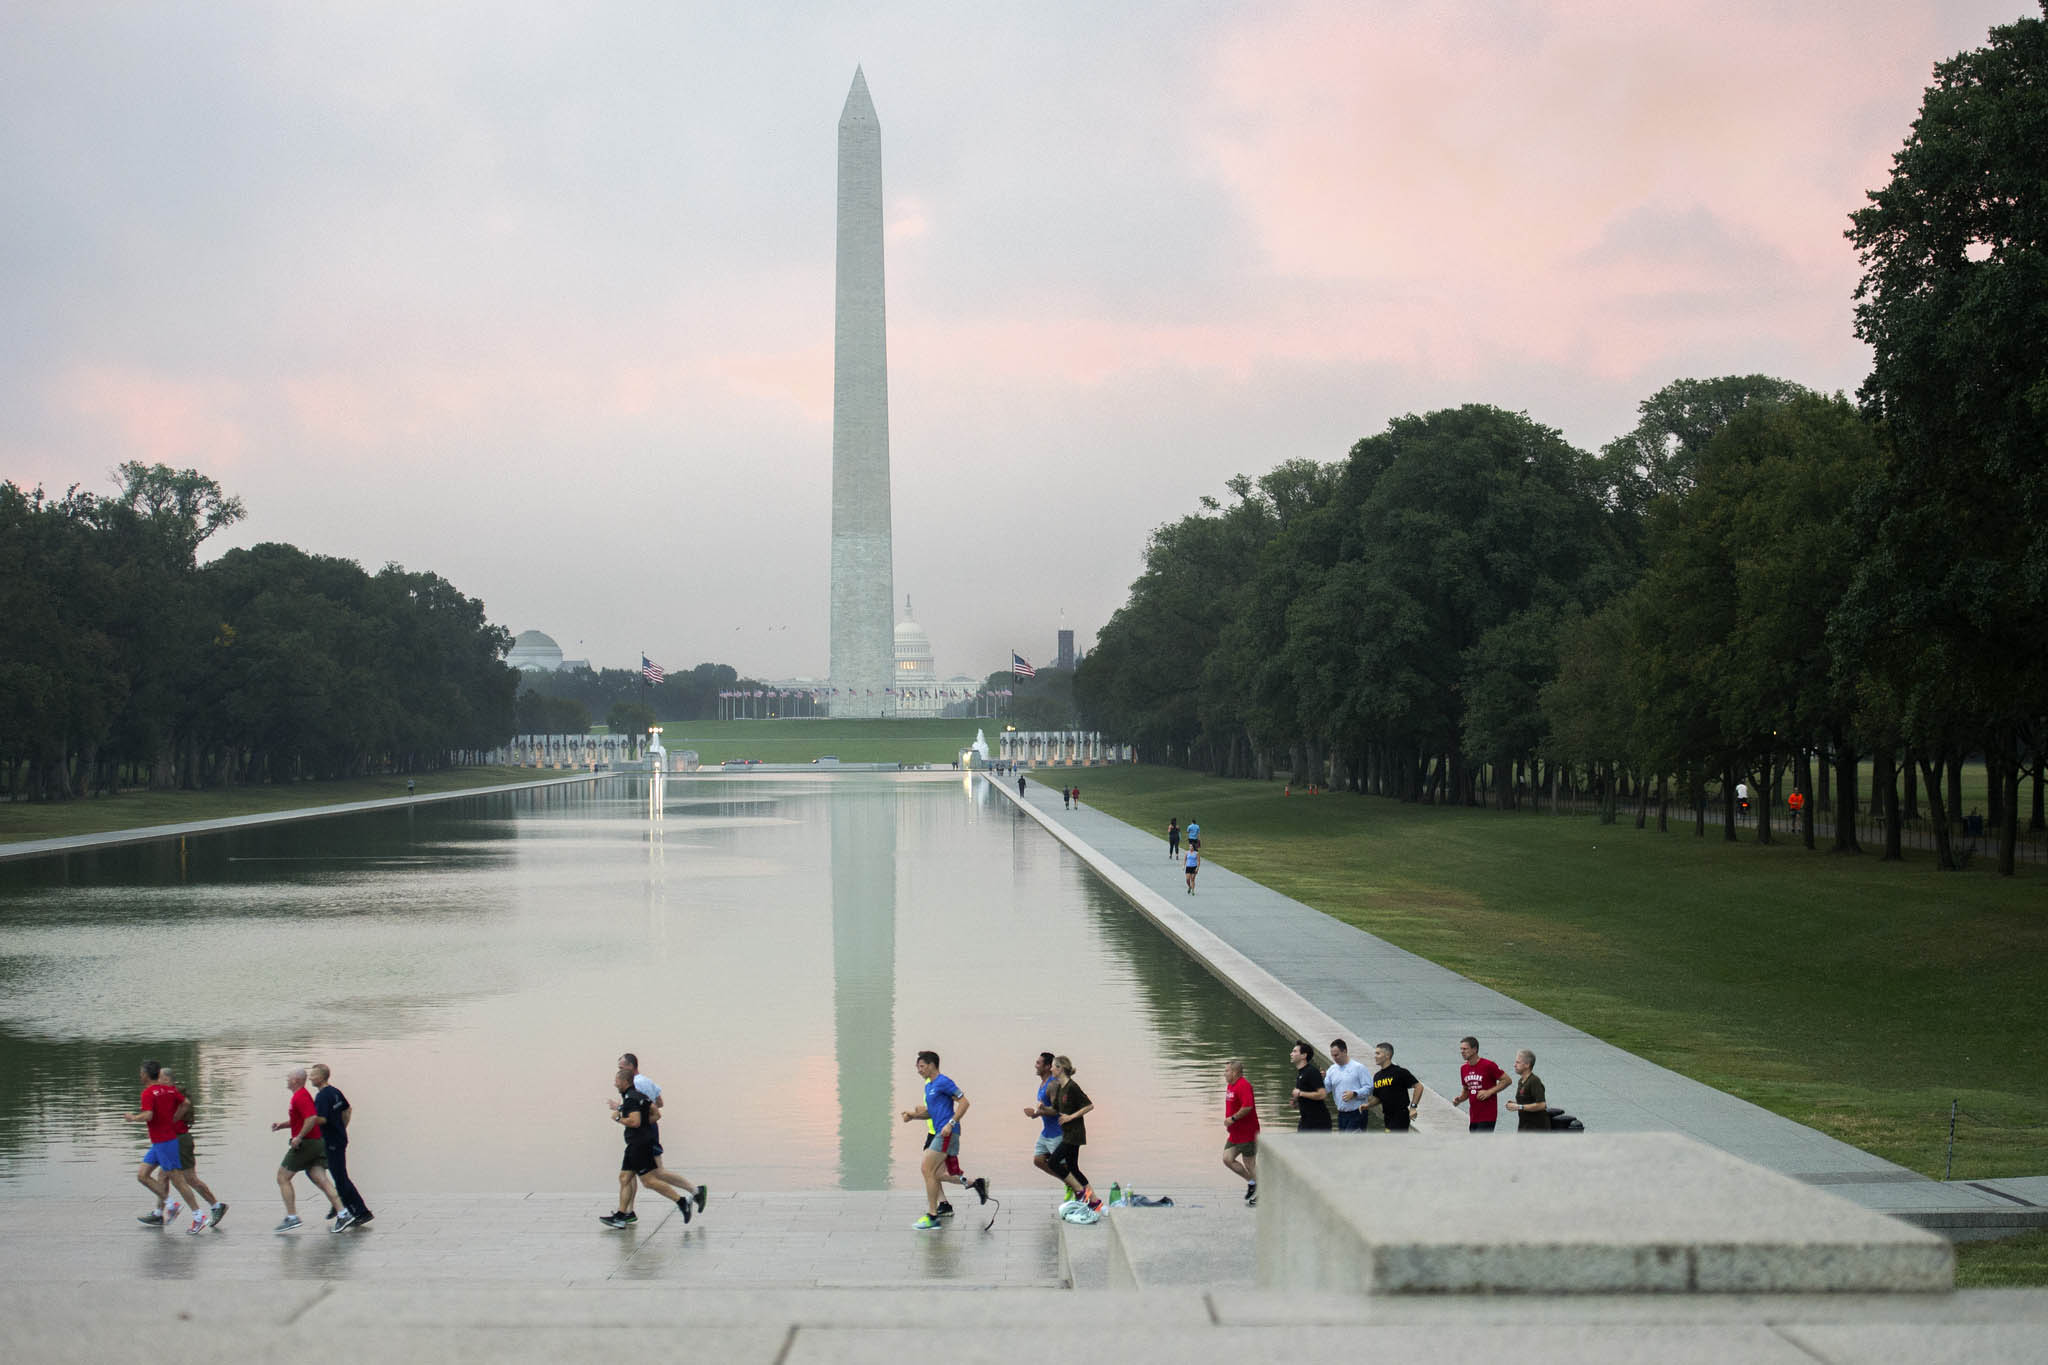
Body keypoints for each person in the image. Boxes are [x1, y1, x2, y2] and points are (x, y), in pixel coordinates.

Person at [600, 1067, 700, 1227]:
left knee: (649, 1181)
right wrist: (645, 1124)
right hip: (636, 1144)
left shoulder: (631, 1099)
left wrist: (618, 1117)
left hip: (639, 1145)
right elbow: (656, 1113)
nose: (614, 1084)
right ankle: (621, 1215)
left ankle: (681, 1201)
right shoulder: (639, 1096)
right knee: (624, 1178)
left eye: (617, 1081)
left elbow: (635, 1122)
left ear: (625, 1082)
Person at [899, 1051, 988, 1230]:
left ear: (932, 1065)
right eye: (917, 1067)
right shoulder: (929, 1086)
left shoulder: (943, 1081)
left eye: (921, 1066)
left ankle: (933, 1216)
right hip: (941, 1131)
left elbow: (965, 1103)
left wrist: (951, 1123)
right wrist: (913, 1116)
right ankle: (975, 1183)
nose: (919, 1071)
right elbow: (931, 1113)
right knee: (937, 1174)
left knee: (926, 1168)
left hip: (947, 1133)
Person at [126, 1060, 211, 1234]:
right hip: (160, 1142)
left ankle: (198, 1216)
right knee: (142, 1175)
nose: (140, 1075)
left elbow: (149, 1115)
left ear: (147, 1074)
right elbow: (186, 1103)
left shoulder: (148, 1093)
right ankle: (171, 1204)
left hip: (165, 1142)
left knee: (179, 1181)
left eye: (141, 1072)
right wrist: (174, 1118)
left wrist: (133, 1118)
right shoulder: (170, 1090)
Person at [153, 1066, 226, 1231]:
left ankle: (216, 1206)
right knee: (163, 1175)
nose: (157, 1081)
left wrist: (170, 1121)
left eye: (160, 1078)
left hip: (179, 1140)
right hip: (172, 1140)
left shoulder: (173, 1093)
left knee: (190, 1179)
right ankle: (158, 1213)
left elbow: (183, 1108)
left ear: (168, 1079)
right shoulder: (168, 1093)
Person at [271, 1068, 343, 1232]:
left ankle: (292, 1217)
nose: (286, 1080)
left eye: (288, 1077)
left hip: (307, 1144)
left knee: (282, 1177)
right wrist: (282, 1125)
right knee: (321, 1179)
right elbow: (302, 1119)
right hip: (316, 1142)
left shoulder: (300, 1096)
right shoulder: (300, 1096)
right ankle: (343, 1213)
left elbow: (311, 1118)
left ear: (296, 1080)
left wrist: (299, 1137)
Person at [309, 1064, 372, 1230]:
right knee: (337, 1174)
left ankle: (360, 1211)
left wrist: (305, 1123)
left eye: (313, 1075)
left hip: (331, 1142)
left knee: (340, 1177)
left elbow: (321, 1119)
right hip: (339, 1138)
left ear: (322, 1077)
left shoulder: (322, 1096)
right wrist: (342, 1127)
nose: (310, 1078)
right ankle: (338, 1203)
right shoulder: (335, 1092)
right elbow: (347, 1110)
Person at [1045, 1055, 1101, 1211]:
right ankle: (1094, 1200)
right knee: (1073, 1168)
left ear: (1060, 1068)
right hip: (1067, 1133)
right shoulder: (1060, 1087)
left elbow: (1089, 1106)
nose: (1050, 1069)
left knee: (1053, 1162)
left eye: (1053, 1066)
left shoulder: (1072, 1086)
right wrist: (1038, 1111)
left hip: (1074, 1134)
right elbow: (1055, 1109)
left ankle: (1081, 1192)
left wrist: (1071, 1117)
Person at [1023, 1052, 1074, 1197]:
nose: (1035, 1065)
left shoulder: (1052, 1084)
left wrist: (1038, 1113)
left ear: (1047, 1067)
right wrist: (1035, 1113)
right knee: (1038, 1160)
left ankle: (1078, 1190)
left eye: (1039, 1063)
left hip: (1057, 1133)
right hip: (1046, 1132)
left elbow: (1056, 1110)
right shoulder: (1043, 1083)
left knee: (1064, 1167)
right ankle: (1069, 1183)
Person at [1221, 1058, 1259, 1205]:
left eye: (1227, 1071)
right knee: (1227, 1159)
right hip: (1235, 1134)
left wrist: (1233, 1119)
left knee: (1250, 1164)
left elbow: (1248, 1106)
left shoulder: (1243, 1085)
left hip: (1247, 1132)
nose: (1224, 1074)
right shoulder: (1231, 1085)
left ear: (1235, 1072)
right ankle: (1251, 1182)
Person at [1452, 1036, 1510, 1132]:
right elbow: (1467, 1090)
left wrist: (1489, 1092)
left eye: (1465, 1049)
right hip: (1474, 1115)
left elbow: (1507, 1080)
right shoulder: (1463, 1068)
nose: (1462, 1051)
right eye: (1461, 1049)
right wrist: (1460, 1099)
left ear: (1474, 1049)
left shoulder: (1488, 1065)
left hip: (1487, 1115)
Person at [1369, 1043, 1422, 1130]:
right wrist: (1367, 1105)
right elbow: (1378, 1098)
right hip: (1387, 1116)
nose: (1375, 1056)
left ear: (1387, 1055)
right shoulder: (1377, 1076)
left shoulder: (1399, 1072)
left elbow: (1419, 1086)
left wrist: (1413, 1107)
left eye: (1378, 1053)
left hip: (1400, 1116)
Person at [1325, 1039, 1373, 1133]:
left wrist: (1355, 1093)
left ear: (1345, 1051)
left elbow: (1369, 1088)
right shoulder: (1332, 1069)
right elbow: (1326, 1088)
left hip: (1357, 1113)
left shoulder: (1358, 1068)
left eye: (1336, 1055)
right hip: (1342, 1114)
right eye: (1332, 1055)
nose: (1334, 1058)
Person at [1290, 1040, 1331, 1132]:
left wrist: (1300, 1093)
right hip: (1306, 1121)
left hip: (1318, 1123)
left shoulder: (1312, 1072)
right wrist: (1297, 1101)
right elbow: (1307, 1095)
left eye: (1295, 1051)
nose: (1291, 1054)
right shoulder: (1301, 1074)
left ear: (1304, 1055)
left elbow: (1322, 1094)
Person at [1504, 1049, 1548, 1132]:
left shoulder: (1534, 1081)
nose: (1514, 1065)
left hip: (1537, 1128)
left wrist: (1519, 1106)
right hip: (1524, 1126)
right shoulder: (1521, 1081)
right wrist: (1515, 1104)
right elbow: (1528, 1102)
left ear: (1527, 1065)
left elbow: (1542, 1105)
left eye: (1518, 1062)